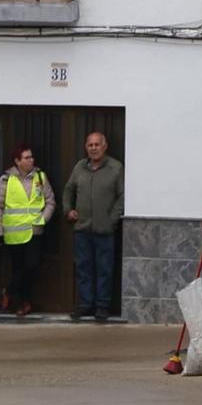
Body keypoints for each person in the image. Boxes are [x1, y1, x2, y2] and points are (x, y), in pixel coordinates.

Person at [63, 131, 124, 321]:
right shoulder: (80, 167)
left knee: (105, 269)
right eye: (90, 145)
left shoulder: (115, 168)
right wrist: (68, 210)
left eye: (97, 145)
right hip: (82, 229)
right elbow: (68, 190)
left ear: (104, 146)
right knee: (83, 268)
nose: (94, 148)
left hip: (105, 230)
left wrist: (111, 219)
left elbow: (122, 196)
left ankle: (102, 306)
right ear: (86, 147)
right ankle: (85, 305)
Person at [0, 144, 54, 317]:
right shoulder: (6, 179)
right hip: (13, 233)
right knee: (18, 268)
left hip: (34, 231)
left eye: (31, 157)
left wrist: (43, 219)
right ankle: (22, 303)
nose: (31, 160)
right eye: (27, 157)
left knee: (31, 265)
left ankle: (9, 291)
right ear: (17, 161)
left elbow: (50, 201)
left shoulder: (40, 177)